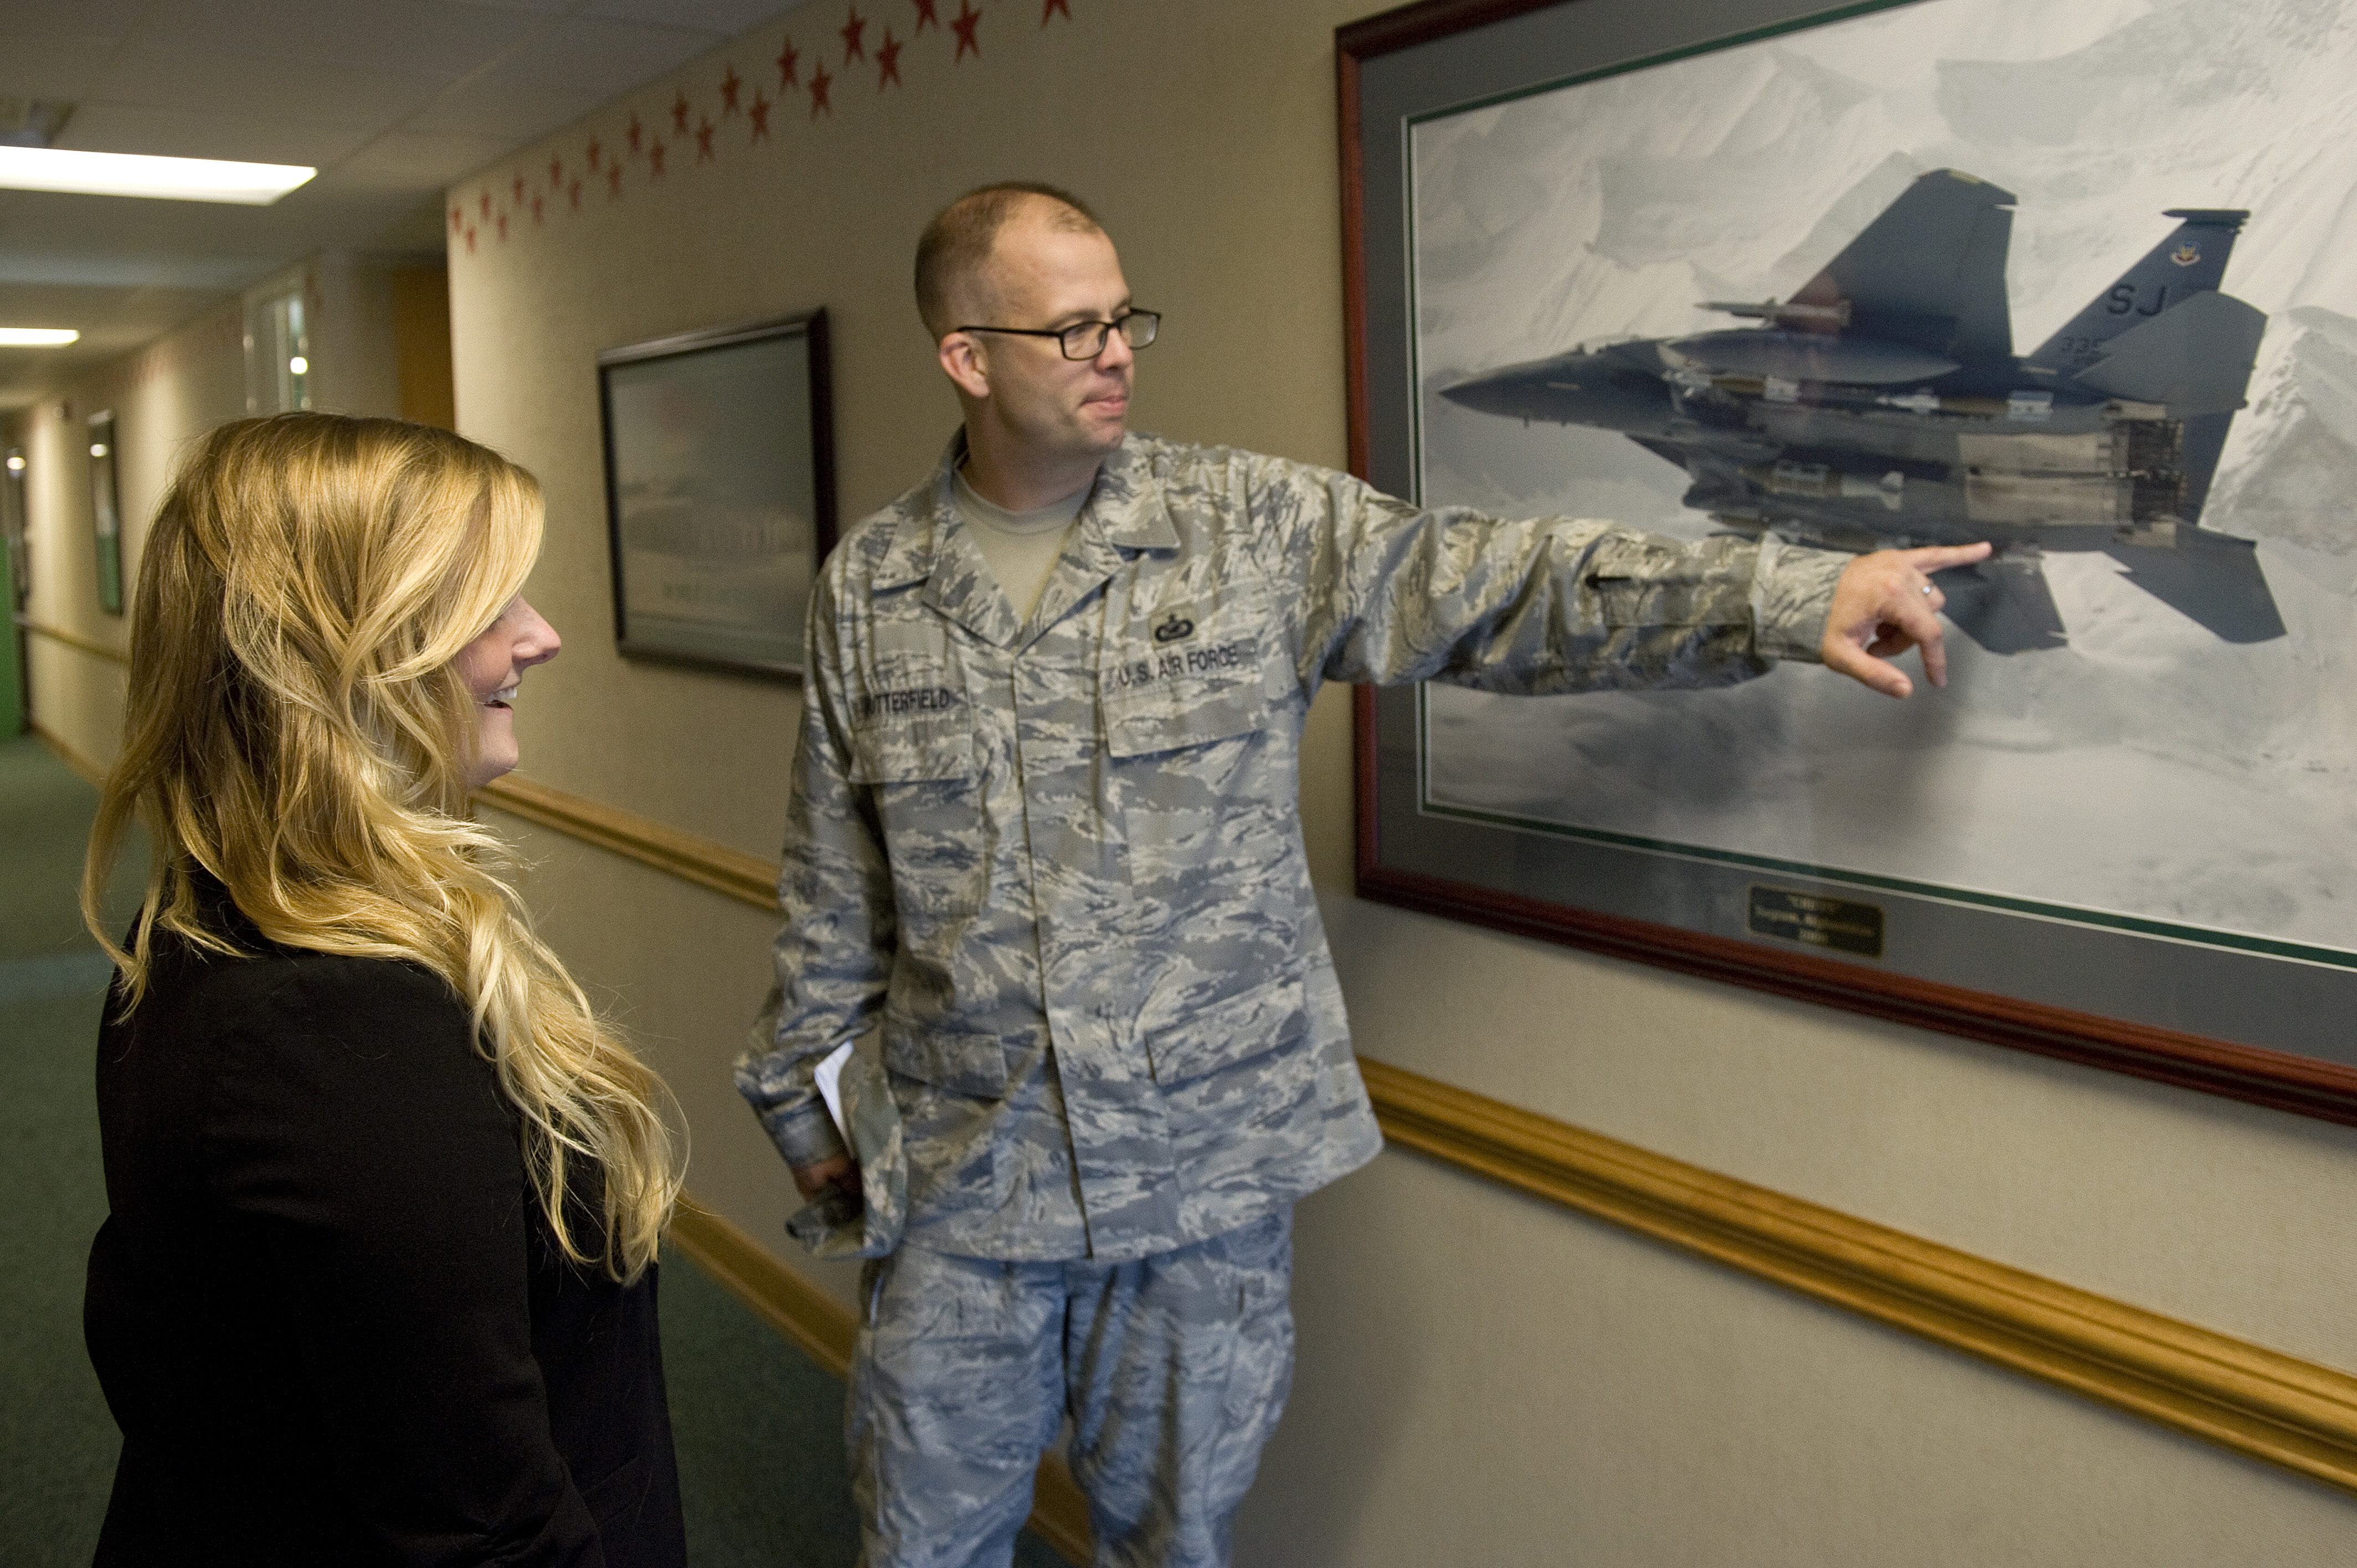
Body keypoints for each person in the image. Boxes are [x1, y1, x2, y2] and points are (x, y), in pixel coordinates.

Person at [735, 183, 1990, 1568]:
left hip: (1198, 1187)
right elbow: (833, 888)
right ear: (967, 356)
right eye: (1072, 328)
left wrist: (1781, 595)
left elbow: (1504, 585)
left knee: (1175, 1540)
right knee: (918, 1544)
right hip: (967, 1186)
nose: (1116, 353)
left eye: (1124, 318)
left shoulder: (1251, 531)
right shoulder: (873, 590)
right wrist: (809, 1124)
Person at [80, 412, 688, 1567]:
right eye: (489, 606)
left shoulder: (205, 926)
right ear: (345, 650)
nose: (543, 637)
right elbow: (483, 1528)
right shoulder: (333, 1023)